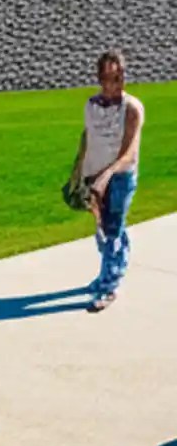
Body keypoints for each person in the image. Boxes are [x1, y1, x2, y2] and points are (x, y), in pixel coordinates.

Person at [79, 50, 145, 313]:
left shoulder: (132, 109)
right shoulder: (91, 105)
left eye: (117, 77)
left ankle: (109, 286)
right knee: (102, 228)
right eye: (107, 78)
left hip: (119, 178)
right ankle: (113, 268)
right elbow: (88, 138)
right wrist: (80, 173)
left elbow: (129, 153)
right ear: (99, 78)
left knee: (113, 230)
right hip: (94, 177)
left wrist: (106, 176)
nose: (112, 84)